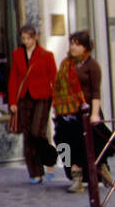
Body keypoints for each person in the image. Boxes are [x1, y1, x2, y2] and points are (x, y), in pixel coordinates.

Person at [52, 30, 112, 193]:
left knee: (90, 145)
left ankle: (101, 169)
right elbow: (59, 87)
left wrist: (95, 114)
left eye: (77, 44)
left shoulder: (92, 65)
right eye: (71, 43)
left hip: (86, 112)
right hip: (67, 114)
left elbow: (95, 92)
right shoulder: (66, 63)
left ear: (85, 47)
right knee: (64, 143)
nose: (73, 47)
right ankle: (75, 176)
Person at [7, 24, 58, 183]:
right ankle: (35, 172)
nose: (26, 41)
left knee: (37, 132)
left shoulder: (46, 55)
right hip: (24, 98)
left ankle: (49, 161)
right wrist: (13, 101)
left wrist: (56, 101)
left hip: (42, 97)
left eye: (28, 38)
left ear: (35, 37)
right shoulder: (17, 54)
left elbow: (54, 79)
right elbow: (14, 78)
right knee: (28, 135)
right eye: (23, 38)